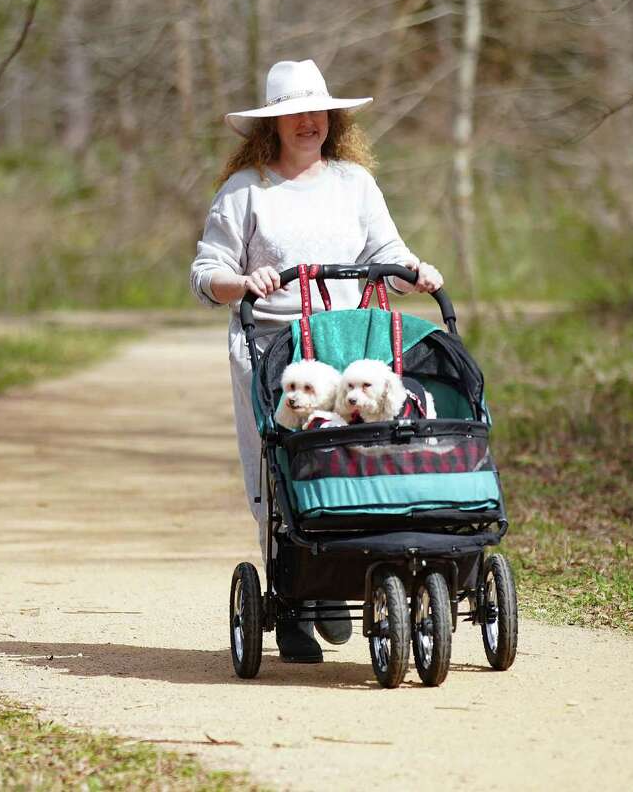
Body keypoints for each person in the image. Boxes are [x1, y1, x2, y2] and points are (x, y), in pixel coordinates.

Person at [189, 59, 443, 663]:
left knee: (356, 454)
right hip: (272, 348)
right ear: (272, 126)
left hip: (346, 343)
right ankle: (295, 595)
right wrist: (243, 282)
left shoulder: (355, 183)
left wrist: (414, 272)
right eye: (296, 115)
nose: (310, 123)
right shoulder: (245, 190)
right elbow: (206, 273)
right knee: (280, 465)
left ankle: (342, 573)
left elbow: (387, 252)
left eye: (318, 112)